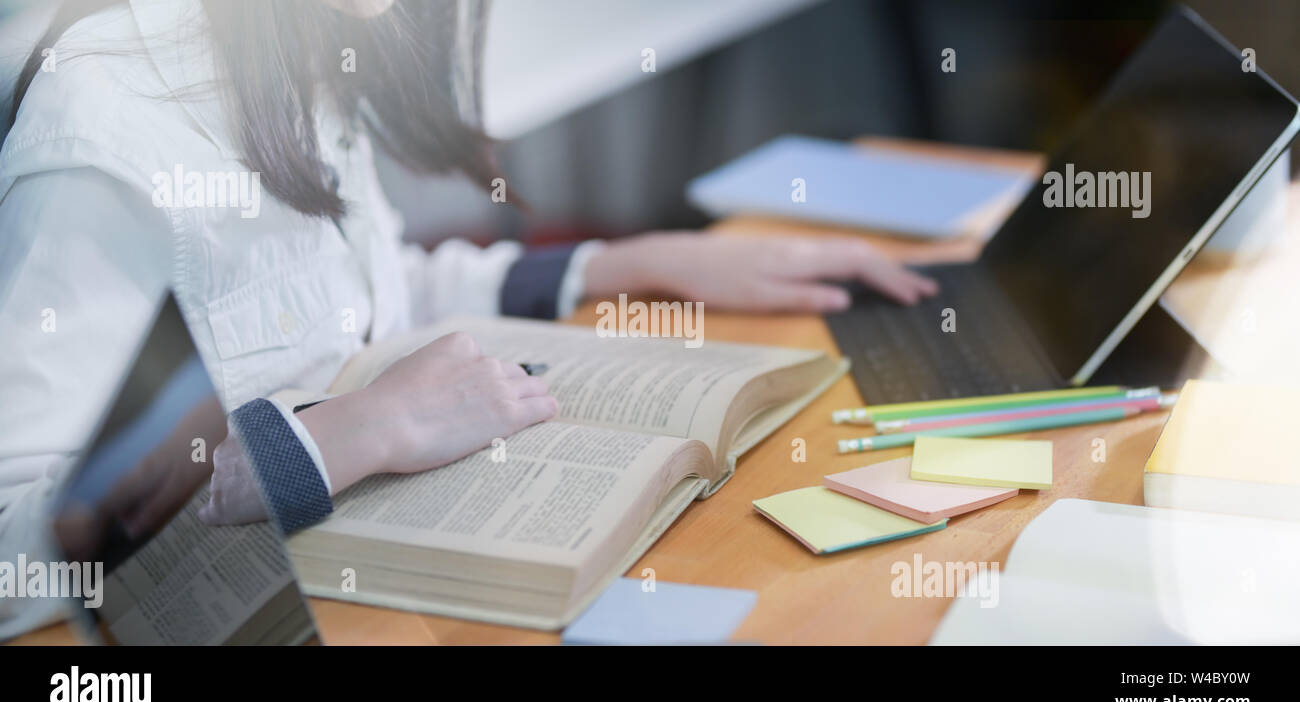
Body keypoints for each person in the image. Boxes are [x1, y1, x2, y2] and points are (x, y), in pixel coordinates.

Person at [0, 0, 936, 634]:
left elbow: (354, 303)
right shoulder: (108, 128)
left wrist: (632, 264)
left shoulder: (310, 34)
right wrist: (331, 441)